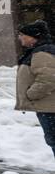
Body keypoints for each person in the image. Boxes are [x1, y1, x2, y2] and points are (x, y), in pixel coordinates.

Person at [15, 21, 55, 164]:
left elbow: (48, 79)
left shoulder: (42, 53)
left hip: (49, 107)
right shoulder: (42, 50)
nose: (20, 38)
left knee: (53, 139)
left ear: (32, 37)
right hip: (48, 105)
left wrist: (30, 95)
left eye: (22, 35)